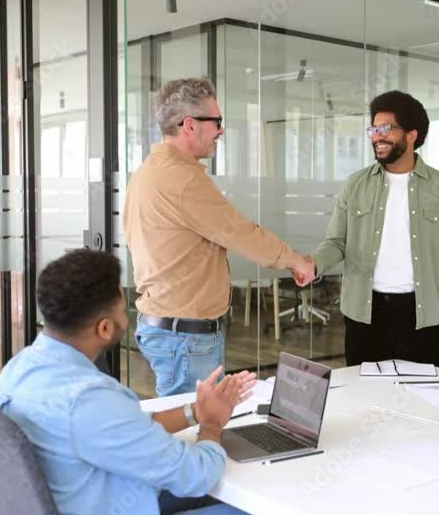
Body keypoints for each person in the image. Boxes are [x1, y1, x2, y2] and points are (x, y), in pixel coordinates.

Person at [0, 250, 298, 515]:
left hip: (82, 510)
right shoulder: (88, 399)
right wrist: (213, 426)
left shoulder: (20, 370)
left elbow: (122, 427)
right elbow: (197, 475)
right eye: (126, 307)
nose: (132, 311)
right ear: (105, 328)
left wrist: (195, 410)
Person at [124, 77, 314, 396]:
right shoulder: (183, 180)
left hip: (165, 326)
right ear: (189, 125)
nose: (221, 130)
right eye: (216, 121)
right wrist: (296, 261)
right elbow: (240, 233)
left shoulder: (148, 172)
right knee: (197, 432)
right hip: (185, 336)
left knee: (186, 426)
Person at [309, 91, 439, 367]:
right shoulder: (355, 184)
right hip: (365, 313)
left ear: (411, 135)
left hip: (423, 315)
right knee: (366, 403)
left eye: (387, 129)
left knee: (423, 401)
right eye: (374, 128)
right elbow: (336, 242)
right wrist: (313, 264)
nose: (376, 136)